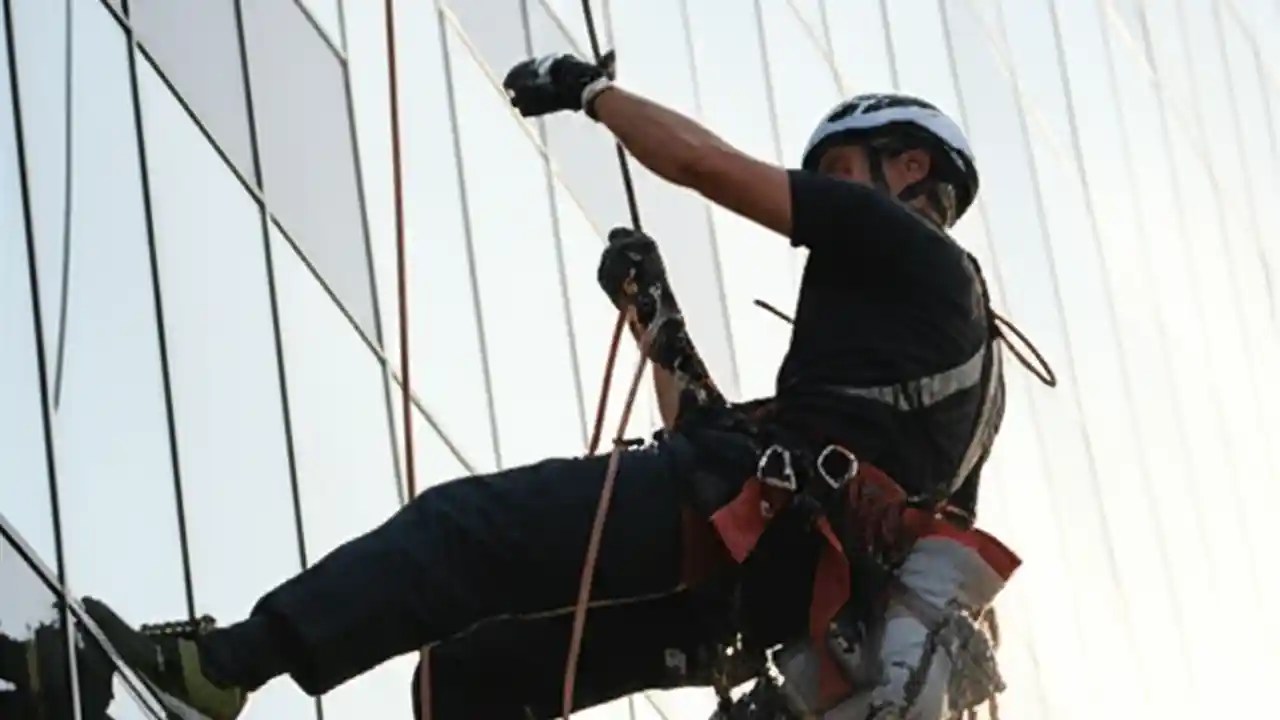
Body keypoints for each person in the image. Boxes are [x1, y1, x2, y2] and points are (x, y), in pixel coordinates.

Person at [71, 49, 1036, 720]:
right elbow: (732, 454)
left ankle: (219, 666)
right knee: (475, 676)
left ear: (913, 167)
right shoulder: (962, 391)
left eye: (838, 169)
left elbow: (702, 166)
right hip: (755, 599)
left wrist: (590, 93)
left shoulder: (907, 243)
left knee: (460, 535)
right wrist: (656, 321)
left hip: (748, 537)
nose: (823, 186)